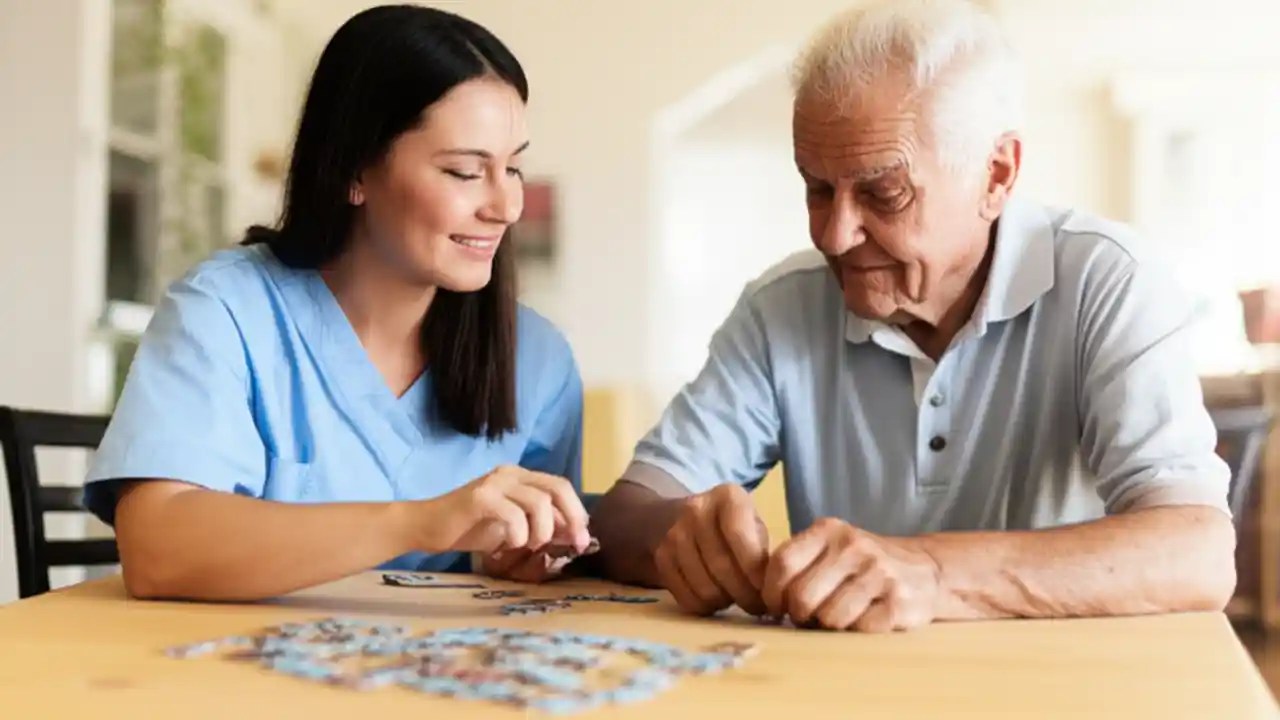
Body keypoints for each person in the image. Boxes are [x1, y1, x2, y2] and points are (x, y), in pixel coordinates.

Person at [589, 0, 1236, 632]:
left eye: (883, 192)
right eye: (816, 188)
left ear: (996, 174)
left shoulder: (1109, 279)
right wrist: (685, 538)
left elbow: (1197, 552)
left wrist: (927, 572)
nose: (834, 235)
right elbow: (623, 517)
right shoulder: (779, 309)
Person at [84, 4, 591, 602]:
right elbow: (159, 550)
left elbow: (540, 578)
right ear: (354, 170)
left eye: (514, 168)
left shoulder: (538, 359)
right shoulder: (226, 311)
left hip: (461, 682)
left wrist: (521, 555)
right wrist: (423, 519)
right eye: (463, 171)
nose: (506, 207)